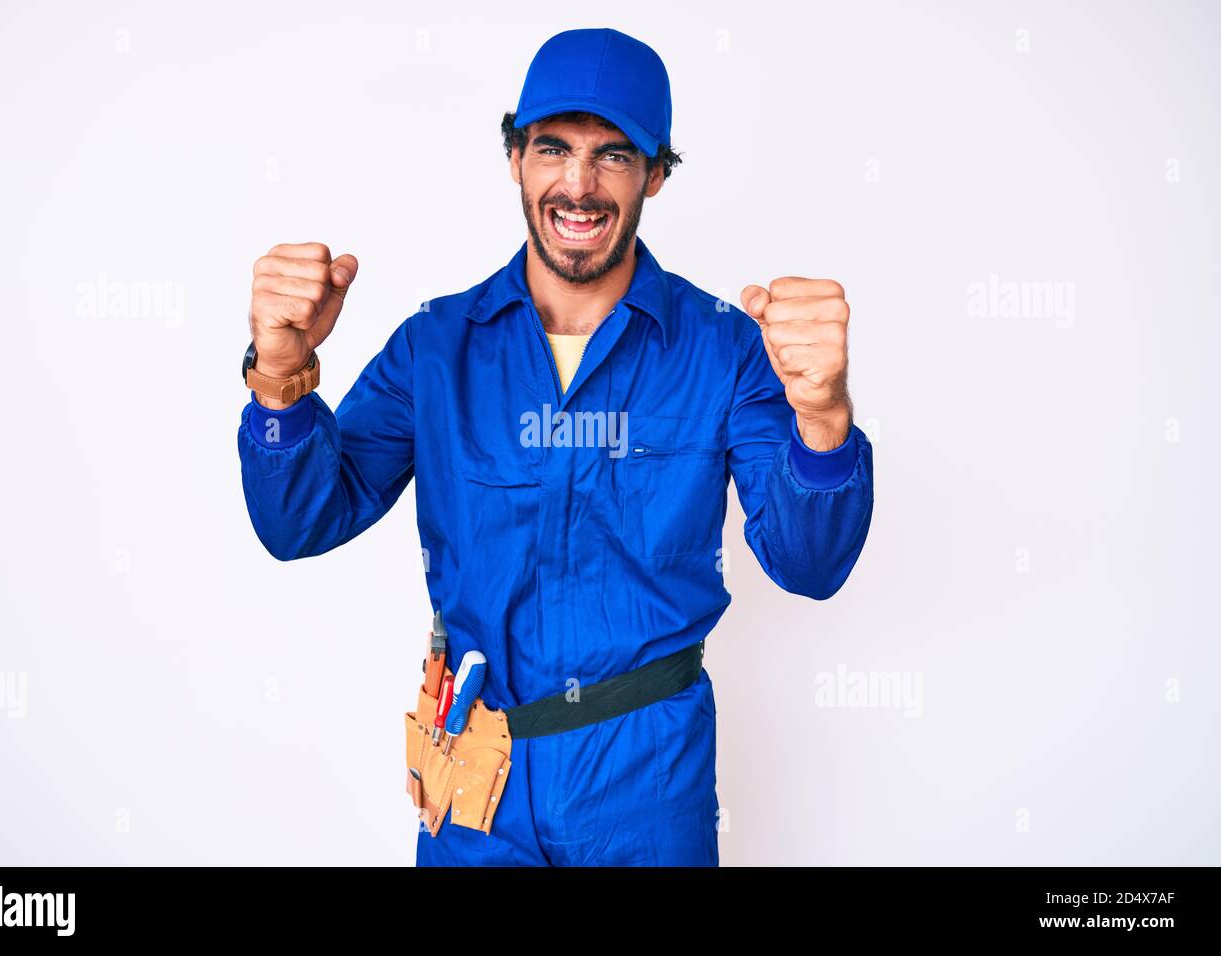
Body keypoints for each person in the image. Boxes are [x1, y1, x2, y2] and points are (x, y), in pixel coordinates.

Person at [236, 27, 874, 866]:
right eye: (552, 148)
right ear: (515, 158)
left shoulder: (724, 350)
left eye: (613, 155)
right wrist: (281, 377)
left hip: (647, 789)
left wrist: (824, 417)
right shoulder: (436, 347)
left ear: (655, 173)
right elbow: (298, 525)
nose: (578, 185)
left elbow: (811, 564)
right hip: (473, 787)